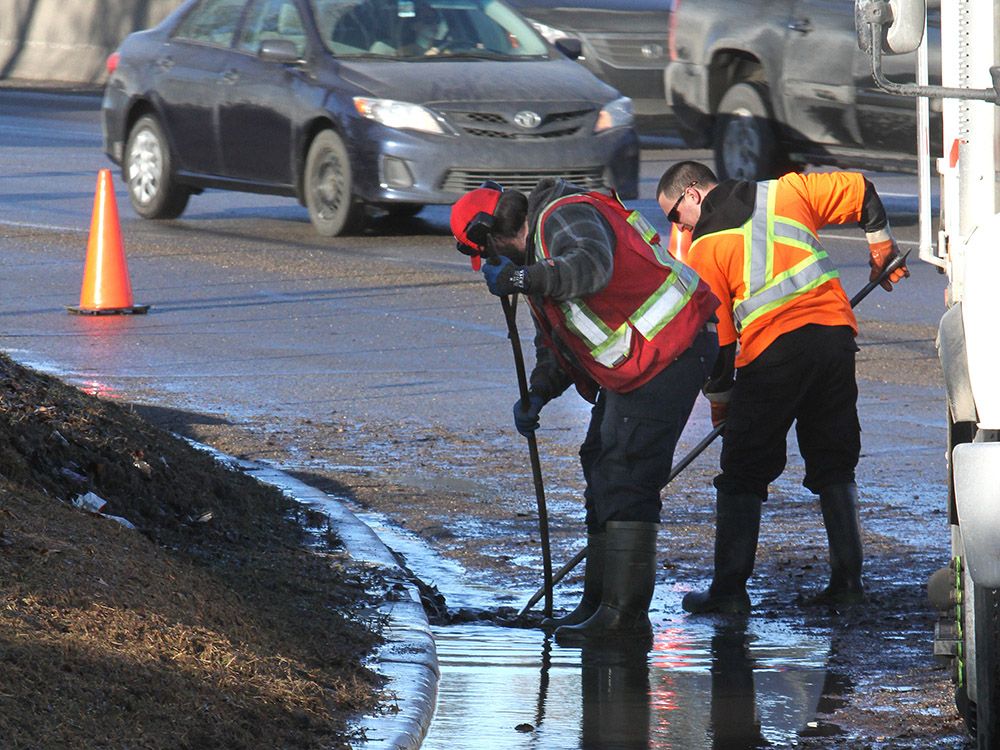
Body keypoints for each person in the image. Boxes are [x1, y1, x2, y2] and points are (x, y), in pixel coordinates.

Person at [450, 178, 720, 643]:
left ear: (490, 233)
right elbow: (560, 345)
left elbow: (591, 266)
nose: (493, 264)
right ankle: (598, 602)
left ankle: (625, 617)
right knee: (600, 461)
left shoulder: (564, 215)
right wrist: (538, 393)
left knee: (627, 471)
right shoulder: (538, 261)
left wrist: (520, 278)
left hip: (675, 347)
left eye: (488, 253)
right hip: (642, 362)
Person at [655, 161, 909, 615]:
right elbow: (862, 190)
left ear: (691, 194)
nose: (678, 226)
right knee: (833, 461)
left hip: (771, 355)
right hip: (833, 340)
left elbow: (719, 349)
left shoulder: (705, 251)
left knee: (743, 472)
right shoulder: (786, 192)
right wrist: (881, 248)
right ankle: (848, 584)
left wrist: (722, 410)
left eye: (675, 216)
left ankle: (729, 591)